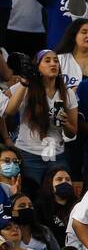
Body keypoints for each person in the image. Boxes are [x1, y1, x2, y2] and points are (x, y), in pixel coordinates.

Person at [6, 49, 80, 185]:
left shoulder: (67, 93)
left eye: (56, 61)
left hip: (57, 155)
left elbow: (72, 133)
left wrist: (65, 123)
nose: (53, 64)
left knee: (59, 197)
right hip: (28, 155)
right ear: (37, 67)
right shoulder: (25, 87)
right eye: (47, 60)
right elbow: (9, 111)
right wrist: (24, 83)